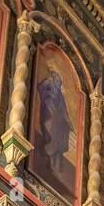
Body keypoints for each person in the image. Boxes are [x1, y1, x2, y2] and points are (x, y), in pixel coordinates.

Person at [33, 66, 73, 198]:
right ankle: (46, 156)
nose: (58, 80)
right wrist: (49, 94)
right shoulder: (47, 83)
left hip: (57, 120)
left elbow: (63, 110)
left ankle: (54, 164)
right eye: (56, 77)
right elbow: (40, 89)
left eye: (59, 79)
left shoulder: (60, 93)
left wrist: (68, 122)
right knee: (48, 131)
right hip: (49, 114)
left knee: (59, 136)